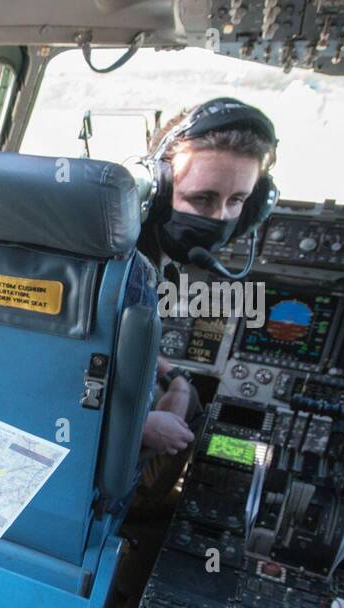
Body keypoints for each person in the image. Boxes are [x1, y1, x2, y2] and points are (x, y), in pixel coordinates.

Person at [135, 98, 278, 466]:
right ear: (159, 192)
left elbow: (126, 346)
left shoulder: (157, 259)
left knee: (193, 398)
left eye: (237, 201)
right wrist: (140, 426)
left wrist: (178, 376)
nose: (221, 217)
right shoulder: (122, 265)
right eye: (202, 199)